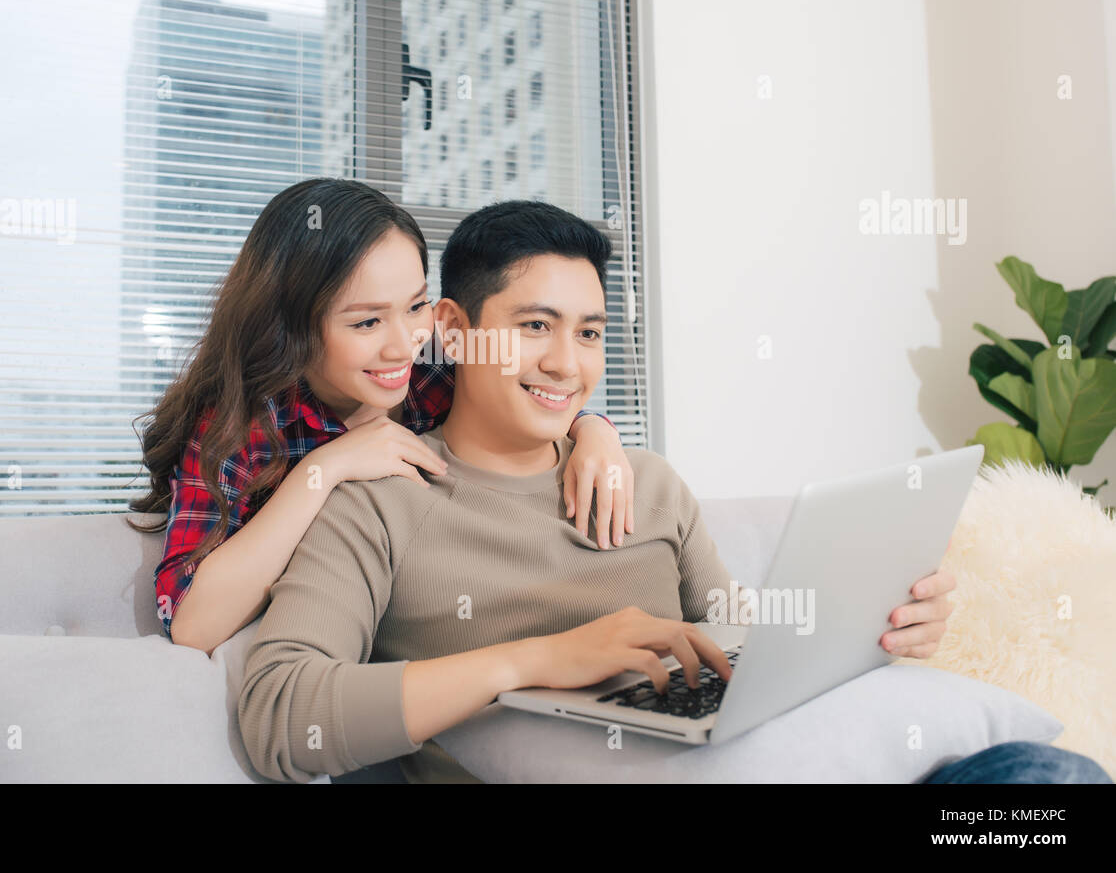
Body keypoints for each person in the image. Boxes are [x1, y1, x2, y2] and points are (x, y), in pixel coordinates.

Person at [237, 200, 1092, 785]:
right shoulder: (377, 497)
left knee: (1050, 789)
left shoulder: (644, 484)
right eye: (534, 326)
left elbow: (749, 661)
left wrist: (875, 631)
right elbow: (281, 711)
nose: (568, 364)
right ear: (454, 333)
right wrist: (536, 662)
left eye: (590, 332)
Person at [127, 179, 636, 656]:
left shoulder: (435, 369)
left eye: (416, 308)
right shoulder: (245, 423)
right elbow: (192, 623)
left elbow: (541, 386)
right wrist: (323, 470)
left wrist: (593, 430)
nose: (402, 346)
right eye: (367, 321)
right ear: (292, 324)